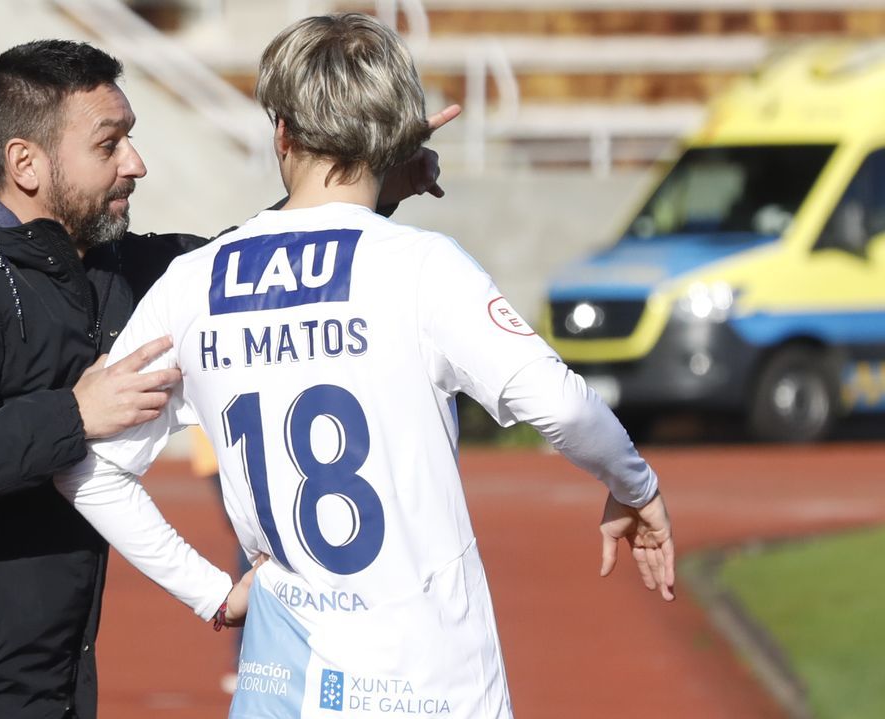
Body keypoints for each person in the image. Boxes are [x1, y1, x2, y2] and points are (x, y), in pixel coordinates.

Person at [55, 13, 675, 719]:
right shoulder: (422, 268)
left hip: (281, 687)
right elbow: (562, 408)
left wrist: (211, 591)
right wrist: (634, 482)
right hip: (431, 688)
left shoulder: (194, 283)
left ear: (282, 133)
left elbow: (91, 469)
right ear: (390, 136)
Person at [0, 38, 450, 719]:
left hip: (46, 677)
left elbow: (249, 262)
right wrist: (73, 415)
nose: (136, 163)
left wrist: (372, 183)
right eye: (109, 144)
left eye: (132, 138)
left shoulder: (114, 266)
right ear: (25, 163)